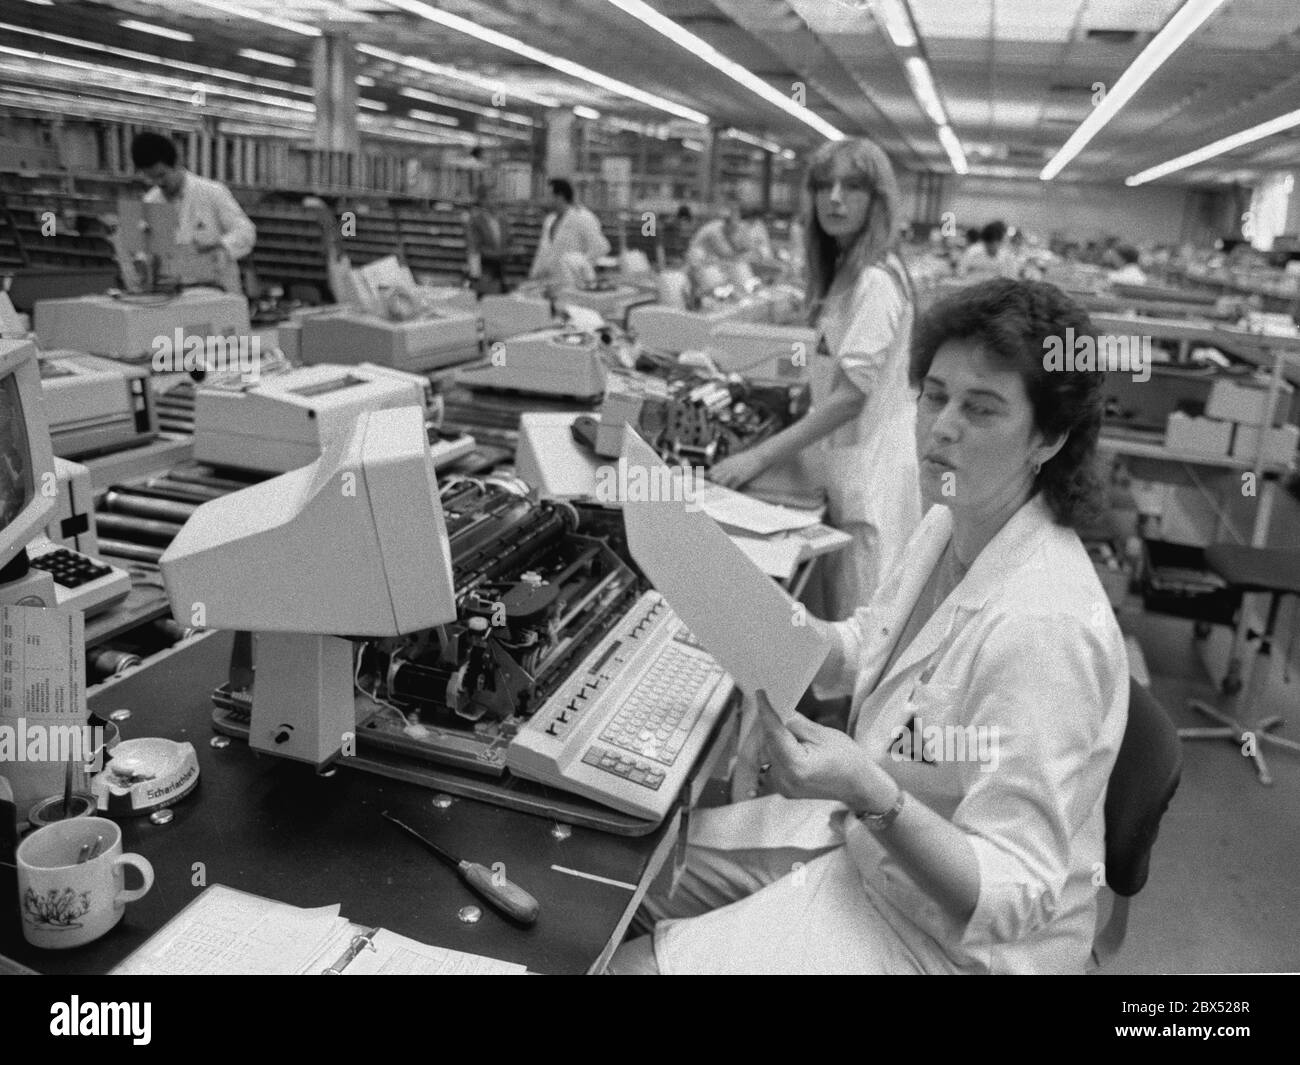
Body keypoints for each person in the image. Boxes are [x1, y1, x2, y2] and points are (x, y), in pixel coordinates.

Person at [609, 278, 1129, 974]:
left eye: (981, 408)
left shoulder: (1044, 625)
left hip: (944, 944)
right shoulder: (953, 519)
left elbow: (1011, 895)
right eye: (935, 395)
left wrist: (867, 788)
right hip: (871, 853)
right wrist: (752, 615)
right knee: (626, 878)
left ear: (1049, 437)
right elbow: (872, 641)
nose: (942, 425)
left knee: (629, 967)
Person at [710, 138, 922, 621]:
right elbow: (832, 369)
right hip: (854, 469)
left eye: (852, 187)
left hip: (874, 479)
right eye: (824, 186)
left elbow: (849, 399)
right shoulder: (847, 269)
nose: (835, 199)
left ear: (877, 198)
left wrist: (756, 456)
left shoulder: (874, 280)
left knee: (864, 632)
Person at [130, 131, 256, 294]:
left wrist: (220, 245)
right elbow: (147, 250)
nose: (158, 182)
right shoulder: (151, 201)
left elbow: (246, 231)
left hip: (218, 292)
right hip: (174, 295)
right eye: (151, 178)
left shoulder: (211, 192)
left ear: (177, 163)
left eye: (162, 175)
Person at [528, 178, 610, 291]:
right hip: (549, 282)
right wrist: (533, 275)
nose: (545, 200)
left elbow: (601, 247)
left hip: (575, 284)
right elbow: (542, 251)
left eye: (548, 195)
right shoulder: (550, 220)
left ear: (560, 197)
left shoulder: (582, 217)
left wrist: (578, 265)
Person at [465, 184, 510, 295]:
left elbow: (508, 242)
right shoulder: (475, 221)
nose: (496, 200)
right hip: (483, 273)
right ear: (482, 200)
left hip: (499, 272)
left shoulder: (503, 220)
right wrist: (475, 275)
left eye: (497, 196)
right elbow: (474, 249)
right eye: (492, 197)